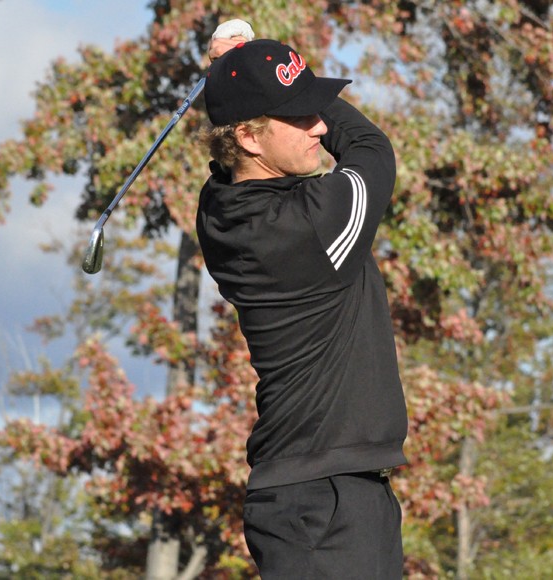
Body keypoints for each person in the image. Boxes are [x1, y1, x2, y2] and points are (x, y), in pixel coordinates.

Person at [196, 30, 408, 579]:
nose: (319, 125)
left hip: (314, 495)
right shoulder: (318, 223)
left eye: (316, 108)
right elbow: (370, 149)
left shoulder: (219, 208)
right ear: (248, 136)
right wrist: (237, 71)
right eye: (299, 116)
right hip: (326, 507)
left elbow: (229, 164)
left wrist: (234, 75)